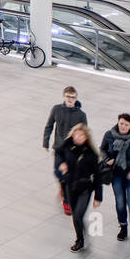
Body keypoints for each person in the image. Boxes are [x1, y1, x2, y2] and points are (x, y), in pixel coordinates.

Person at [101, 113, 130, 242]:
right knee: (120, 202)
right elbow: (102, 149)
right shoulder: (109, 135)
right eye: (121, 123)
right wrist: (106, 159)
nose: (123, 126)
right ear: (118, 123)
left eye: (126, 125)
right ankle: (123, 227)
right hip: (117, 174)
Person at [42, 86, 87, 215]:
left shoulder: (81, 115)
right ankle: (62, 187)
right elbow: (49, 126)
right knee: (58, 172)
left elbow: (85, 134)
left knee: (68, 177)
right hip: (59, 149)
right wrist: (46, 142)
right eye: (68, 96)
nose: (70, 99)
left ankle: (67, 201)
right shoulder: (56, 109)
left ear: (76, 98)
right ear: (64, 96)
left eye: (73, 97)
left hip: (73, 151)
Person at [58, 123, 102, 251]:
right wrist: (61, 163)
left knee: (77, 215)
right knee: (75, 216)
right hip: (70, 187)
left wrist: (98, 197)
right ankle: (81, 235)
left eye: (81, 135)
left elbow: (97, 177)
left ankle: (79, 241)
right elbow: (58, 153)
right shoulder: (67, 145)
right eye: (75, 134)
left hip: (85, 189)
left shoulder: (91, 155)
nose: (77, 137)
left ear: (86, 137)